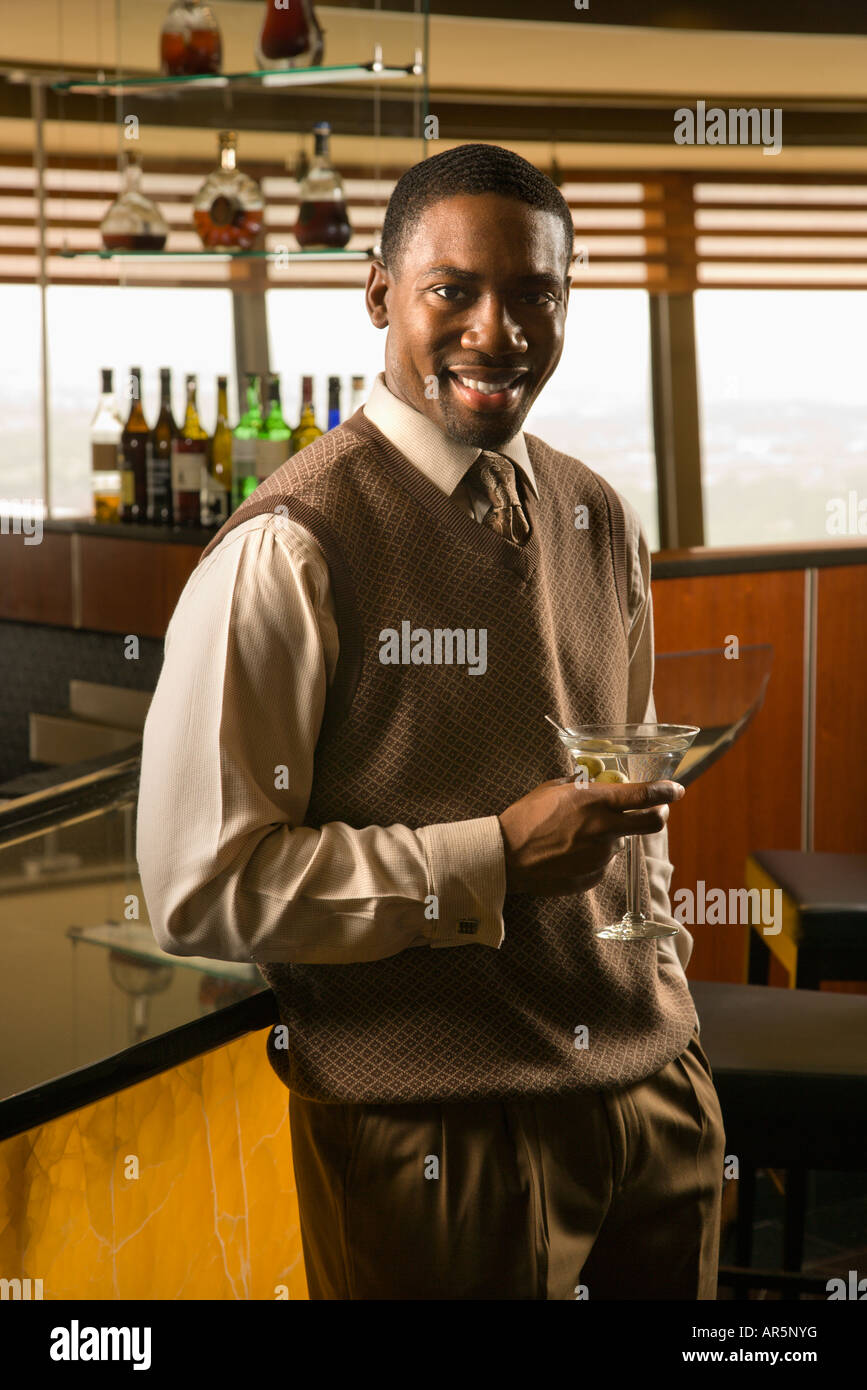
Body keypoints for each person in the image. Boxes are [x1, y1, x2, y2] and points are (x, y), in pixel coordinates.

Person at [137, 142, 726, 1301]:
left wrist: (673, 1020)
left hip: (656, 1104)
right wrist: (495, 857)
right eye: (454, 290)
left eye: (534, 293)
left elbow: (633, 814)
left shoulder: (599, 516)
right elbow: (197, 887)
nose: (497, 330)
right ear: (378, 294)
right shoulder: (289, 547)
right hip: (435, 1143)